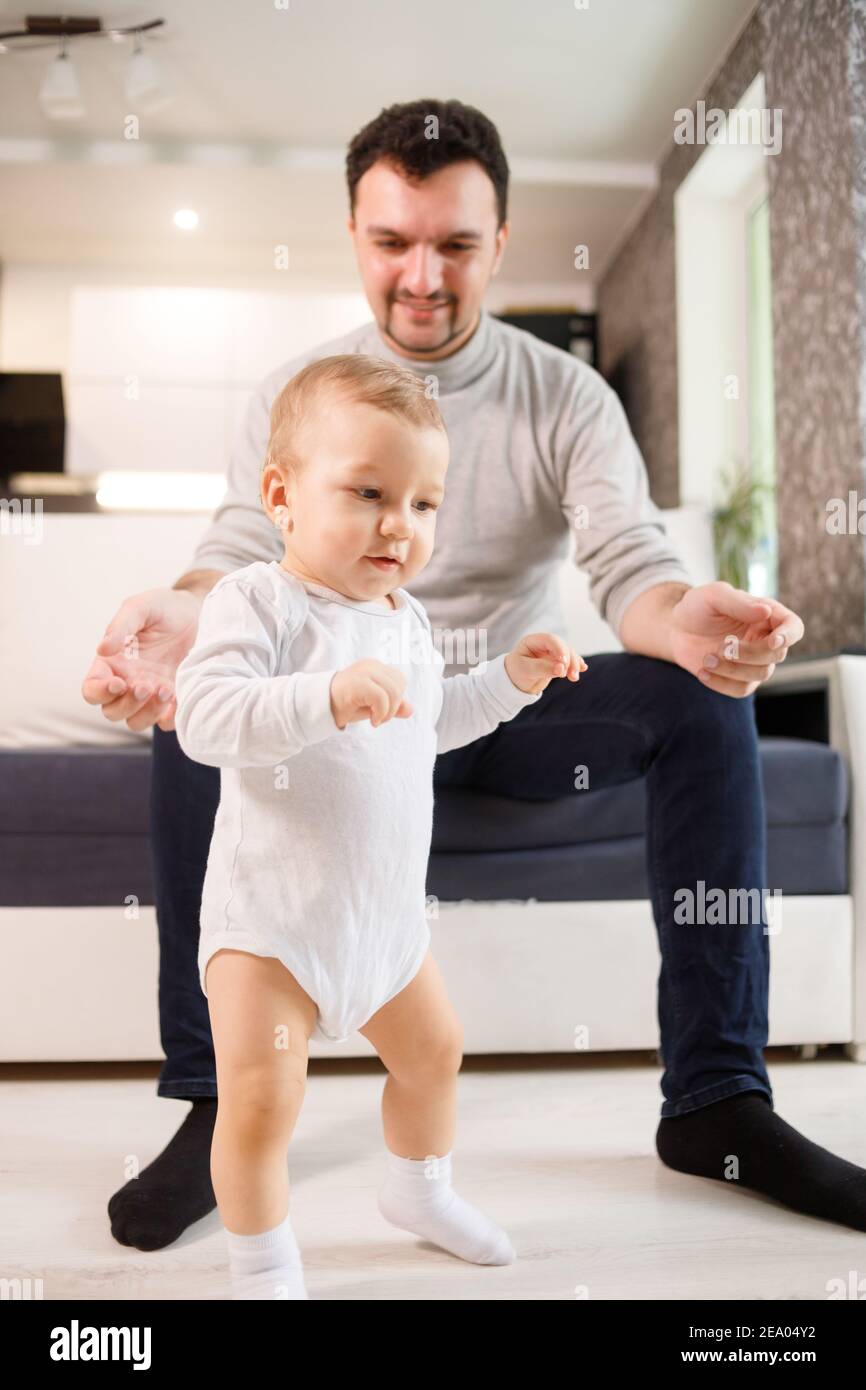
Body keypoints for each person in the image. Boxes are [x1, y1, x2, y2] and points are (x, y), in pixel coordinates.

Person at [83, 98, 866, 1256]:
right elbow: (237, 557)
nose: (420, 275)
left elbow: (626, 564)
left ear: (499, 243)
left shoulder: (564, 396)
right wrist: (183, 614)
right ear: (354, 234)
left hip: (487, 705)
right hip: (322, 721)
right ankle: (215, 1093)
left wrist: (679, 616)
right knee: (200, 713)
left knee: (700, 694)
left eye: (453, 243)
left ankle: (716, 1099)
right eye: (391, 240)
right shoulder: (294, 394)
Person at [172, 352, 584, 1297]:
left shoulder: (403, 618)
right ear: (280, 495)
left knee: (436, 1054)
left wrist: (509, 684)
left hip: (385, 926)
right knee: (264, 1099)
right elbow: (205, 718)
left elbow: (430, 725)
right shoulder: (257, 600)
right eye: (368, 492)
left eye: (424, 504)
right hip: (272, 928)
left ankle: (419, 1190)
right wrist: (325, 696)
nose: (399, 525)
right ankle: (263, 1260)